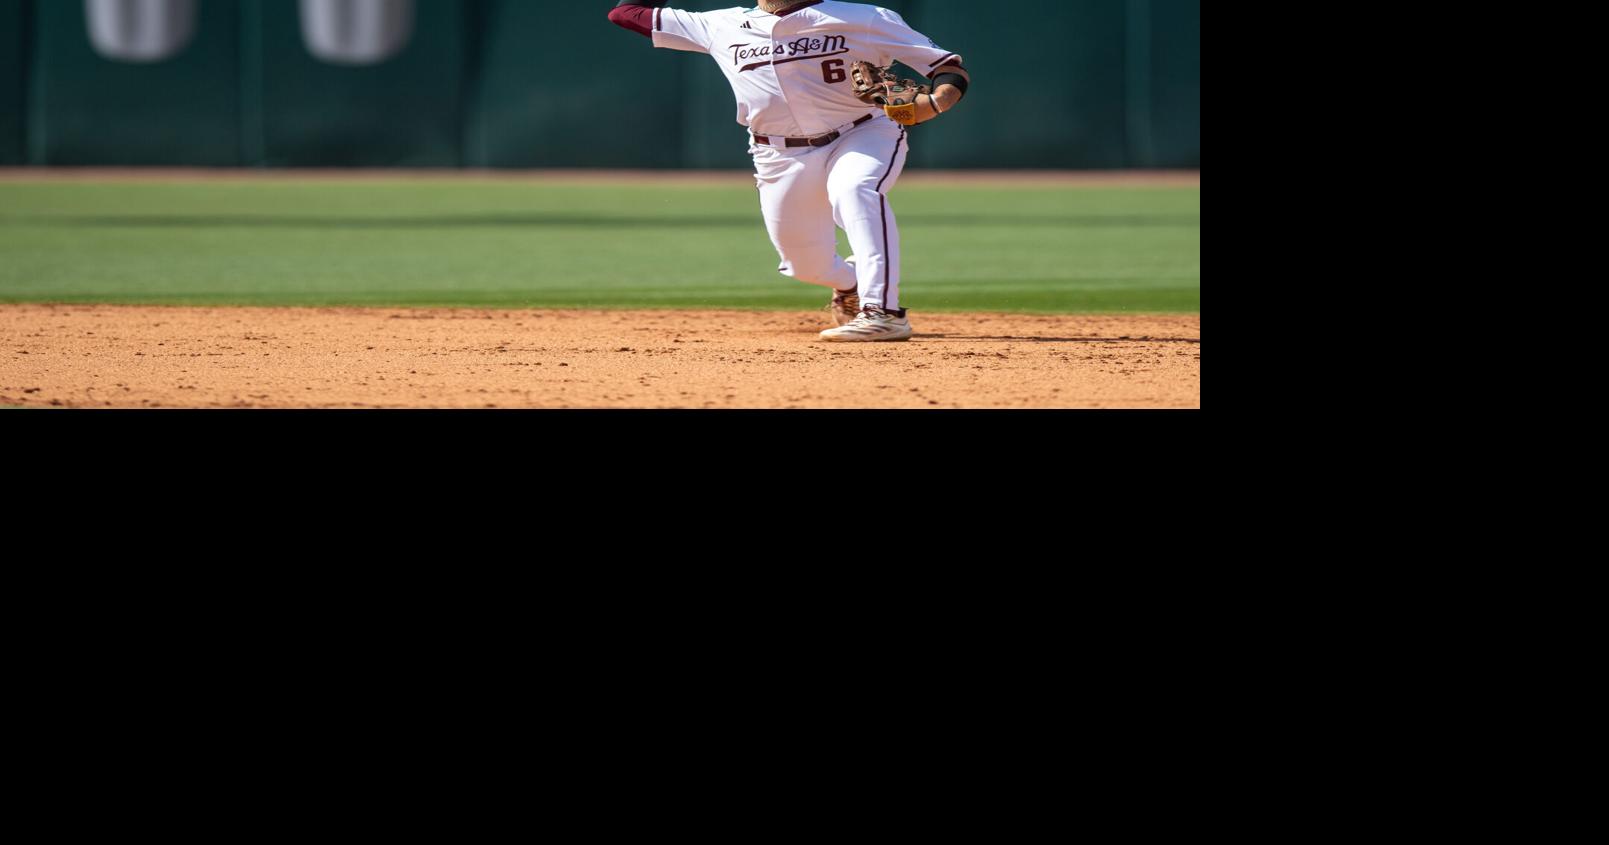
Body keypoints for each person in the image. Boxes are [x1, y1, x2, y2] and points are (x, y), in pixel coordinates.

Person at [607, 0, 970, 342]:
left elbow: (946, 67)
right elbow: (626, 13)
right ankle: (851, 285)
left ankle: (883, 312)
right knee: (804, 265)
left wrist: (938, 101)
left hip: (862, 132)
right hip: (778, 154)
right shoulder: (719, 24)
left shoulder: (865, 17)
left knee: (855, 189)